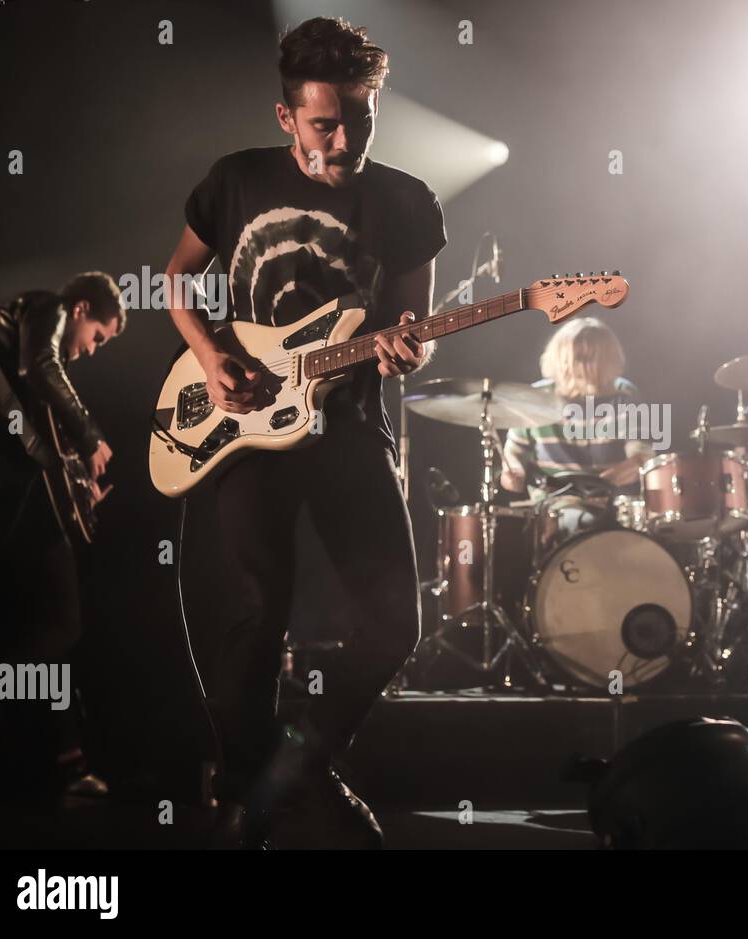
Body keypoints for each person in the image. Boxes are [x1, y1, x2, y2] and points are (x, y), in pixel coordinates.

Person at [162, 16, 445, 848]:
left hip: (349, 424)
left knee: (396, 623)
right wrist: (213, 354)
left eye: (361, 117)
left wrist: (403, 353)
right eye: (327, 121)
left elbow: (413, 334)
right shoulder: (236, 180)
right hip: (247, 421)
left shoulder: (405, 201)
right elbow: (178, 278)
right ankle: (245, 798)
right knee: (258, 616)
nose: (345, 136)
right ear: (287, 117)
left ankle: (299, 768)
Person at [0, 271, 124, 797]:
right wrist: (91, 435)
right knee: (55, 623)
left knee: (38, 624)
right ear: (79, 310)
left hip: (2, 483)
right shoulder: (46, 310)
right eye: (98, 337)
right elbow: (43, 367)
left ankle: (58, 759)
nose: (92, 351)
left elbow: (36, 442)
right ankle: (62, 760)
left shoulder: (23, 378)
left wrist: (80, 492)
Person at [501, 317, 652, 499]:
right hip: (553, 505)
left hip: (612, 504)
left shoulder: (624, 394)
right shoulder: (535, 398)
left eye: (591, 358)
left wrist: (636, 463)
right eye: (575, 358)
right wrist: (514, 471)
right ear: (558, 360)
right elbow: (514, 451)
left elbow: (640, 450)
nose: (581, 366)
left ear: (610, 361)